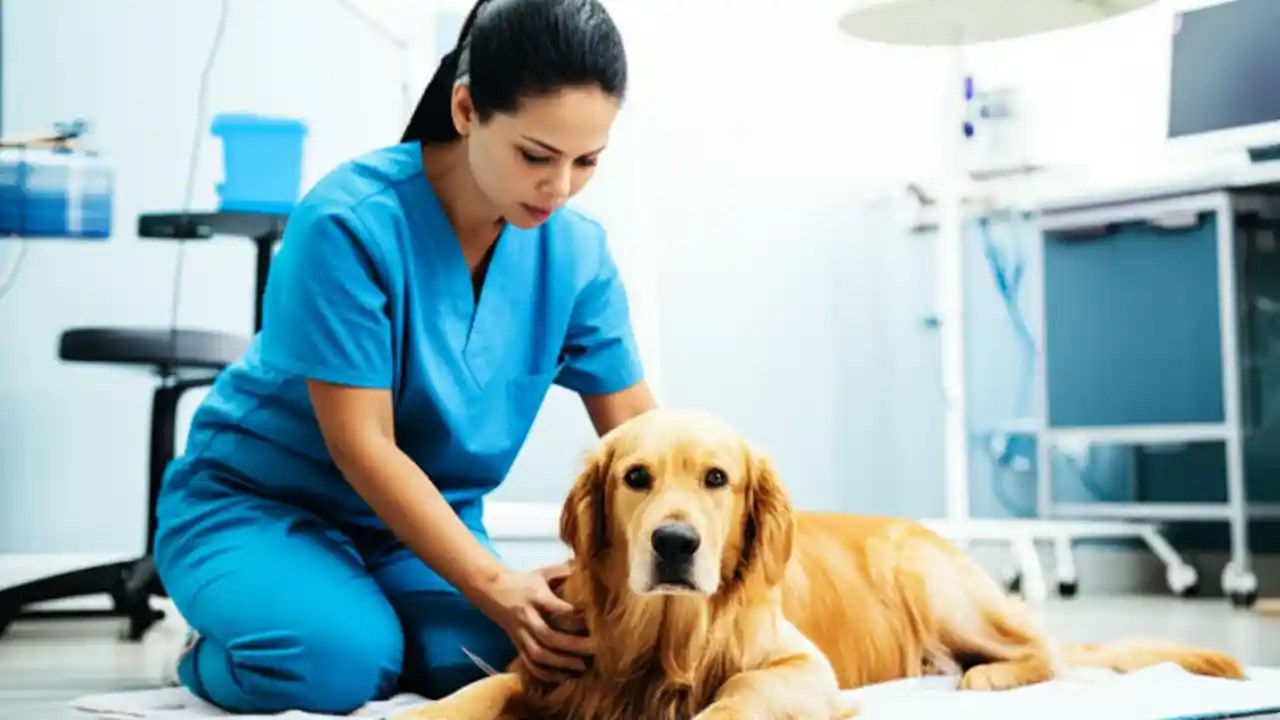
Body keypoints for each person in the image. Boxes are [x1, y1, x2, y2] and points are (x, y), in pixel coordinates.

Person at [151, 0, 656, 713]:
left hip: (421, 529)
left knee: (520, 663)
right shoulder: (349, 222)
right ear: (465, 109)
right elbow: (363, 446)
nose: (560, 186)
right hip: (257, 506)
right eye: (536, 156)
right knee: (335, 664)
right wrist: (491, 583)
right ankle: (207, 658)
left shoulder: (576, 253)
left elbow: (638, 430)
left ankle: (368, 620)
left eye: (587, 161)